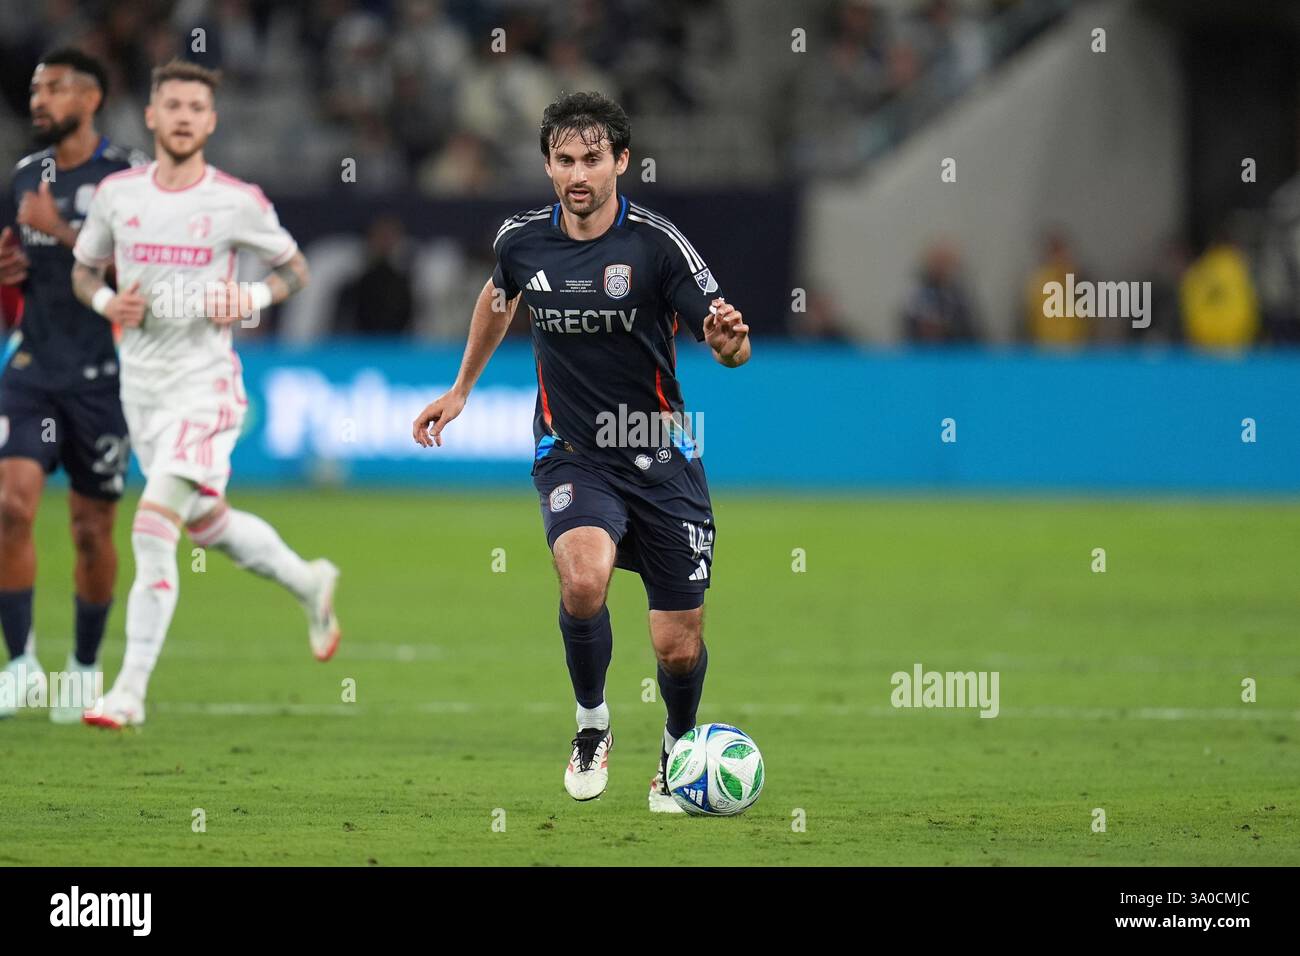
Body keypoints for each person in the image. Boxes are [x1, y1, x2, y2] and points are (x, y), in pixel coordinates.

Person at [412, 91, 751, 812]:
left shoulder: (658, 245)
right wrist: (462, 387)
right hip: (574, 451)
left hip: (659, 453)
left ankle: (678, 749)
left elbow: (726, 340)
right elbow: (499, 296)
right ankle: (592, 723)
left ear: (621, 162)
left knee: (677, 646)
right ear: (546, 165)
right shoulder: (521, 241)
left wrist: (731, 345)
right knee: (584, 579)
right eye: (564, 159)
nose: (578, 173)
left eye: (593, 159)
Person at [69, 59, 341, 729]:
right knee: (206, 524)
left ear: (211, 122)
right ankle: (310, 582)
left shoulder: (236, 201)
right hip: (143, 391)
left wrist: (249, 296)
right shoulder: (118, 196)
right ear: (153, 117)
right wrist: (108, 300)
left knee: (152, 526)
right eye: (174, 105)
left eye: (198, 106)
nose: (186, 115)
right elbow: (81, 270)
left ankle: (128, 691)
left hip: (207, 387)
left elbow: (295, 269)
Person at [0, 49, 146, 722]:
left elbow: (146, 283)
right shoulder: (25, 175)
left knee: (92, 530)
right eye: (34, 89)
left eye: (52, 89)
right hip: (32, 367)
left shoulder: (128, 178)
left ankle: (83, 670)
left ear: (90, 99)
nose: (37, 100)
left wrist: (61, 231)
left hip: (104, 380)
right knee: (10, 507)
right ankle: (22, 664)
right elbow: (14, 284)